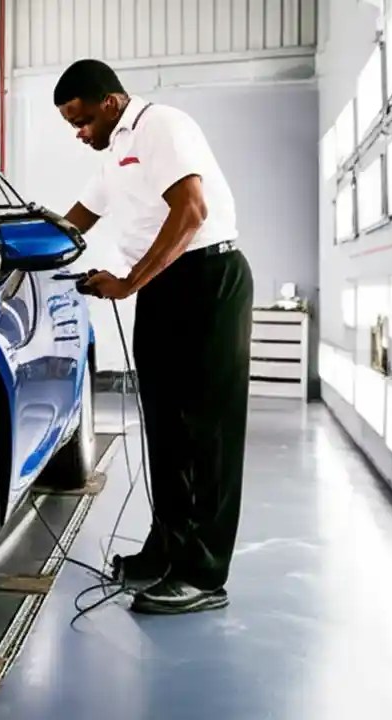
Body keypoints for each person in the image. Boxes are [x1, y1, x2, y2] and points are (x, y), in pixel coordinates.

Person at [52, 58, 253, 615]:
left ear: (110, 102)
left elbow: (191, 211)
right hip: (164, 286)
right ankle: (166, 551)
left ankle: (203, 575)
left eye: (83, 119)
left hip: (207, 278)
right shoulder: (114, 151)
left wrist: (127, 282)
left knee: (205, 433)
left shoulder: (161, 125)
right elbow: (76, 220)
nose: (79, 132)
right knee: (165, 427)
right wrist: (13, 243)